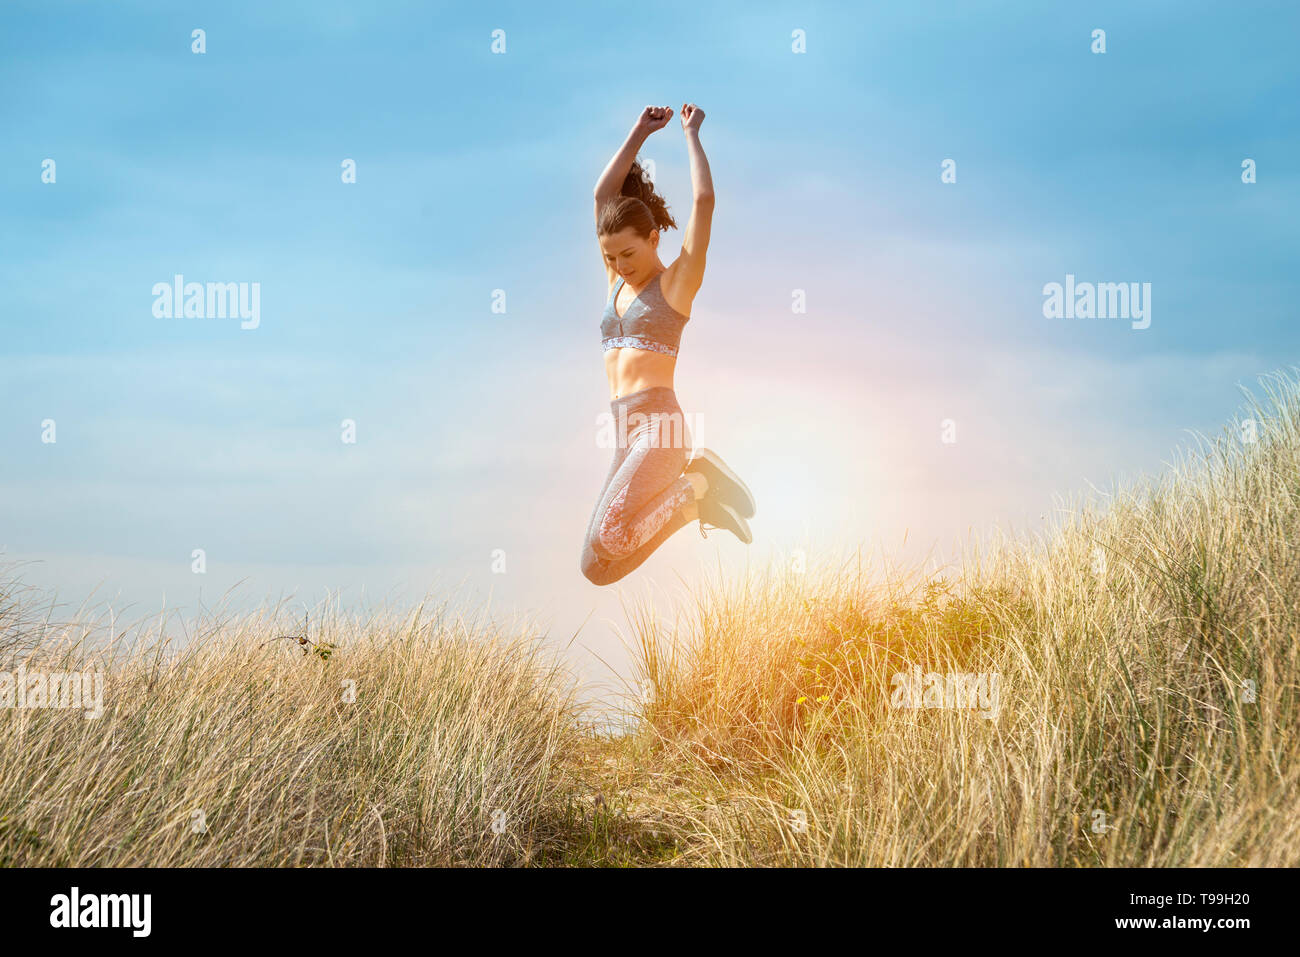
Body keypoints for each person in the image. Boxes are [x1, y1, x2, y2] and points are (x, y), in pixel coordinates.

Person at [580, 103, 756, 586]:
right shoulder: (615, 278)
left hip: (660, 427)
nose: (620, 264)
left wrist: (690, 135)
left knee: (610, 537)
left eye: (629, 254)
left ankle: (699, 479)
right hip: (625, 430)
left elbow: (703, 203)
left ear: (654, 238)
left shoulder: (676, 283)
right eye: (611, 256)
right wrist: (638, 132)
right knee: (596, 566)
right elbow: (602, 197)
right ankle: (700, 503)